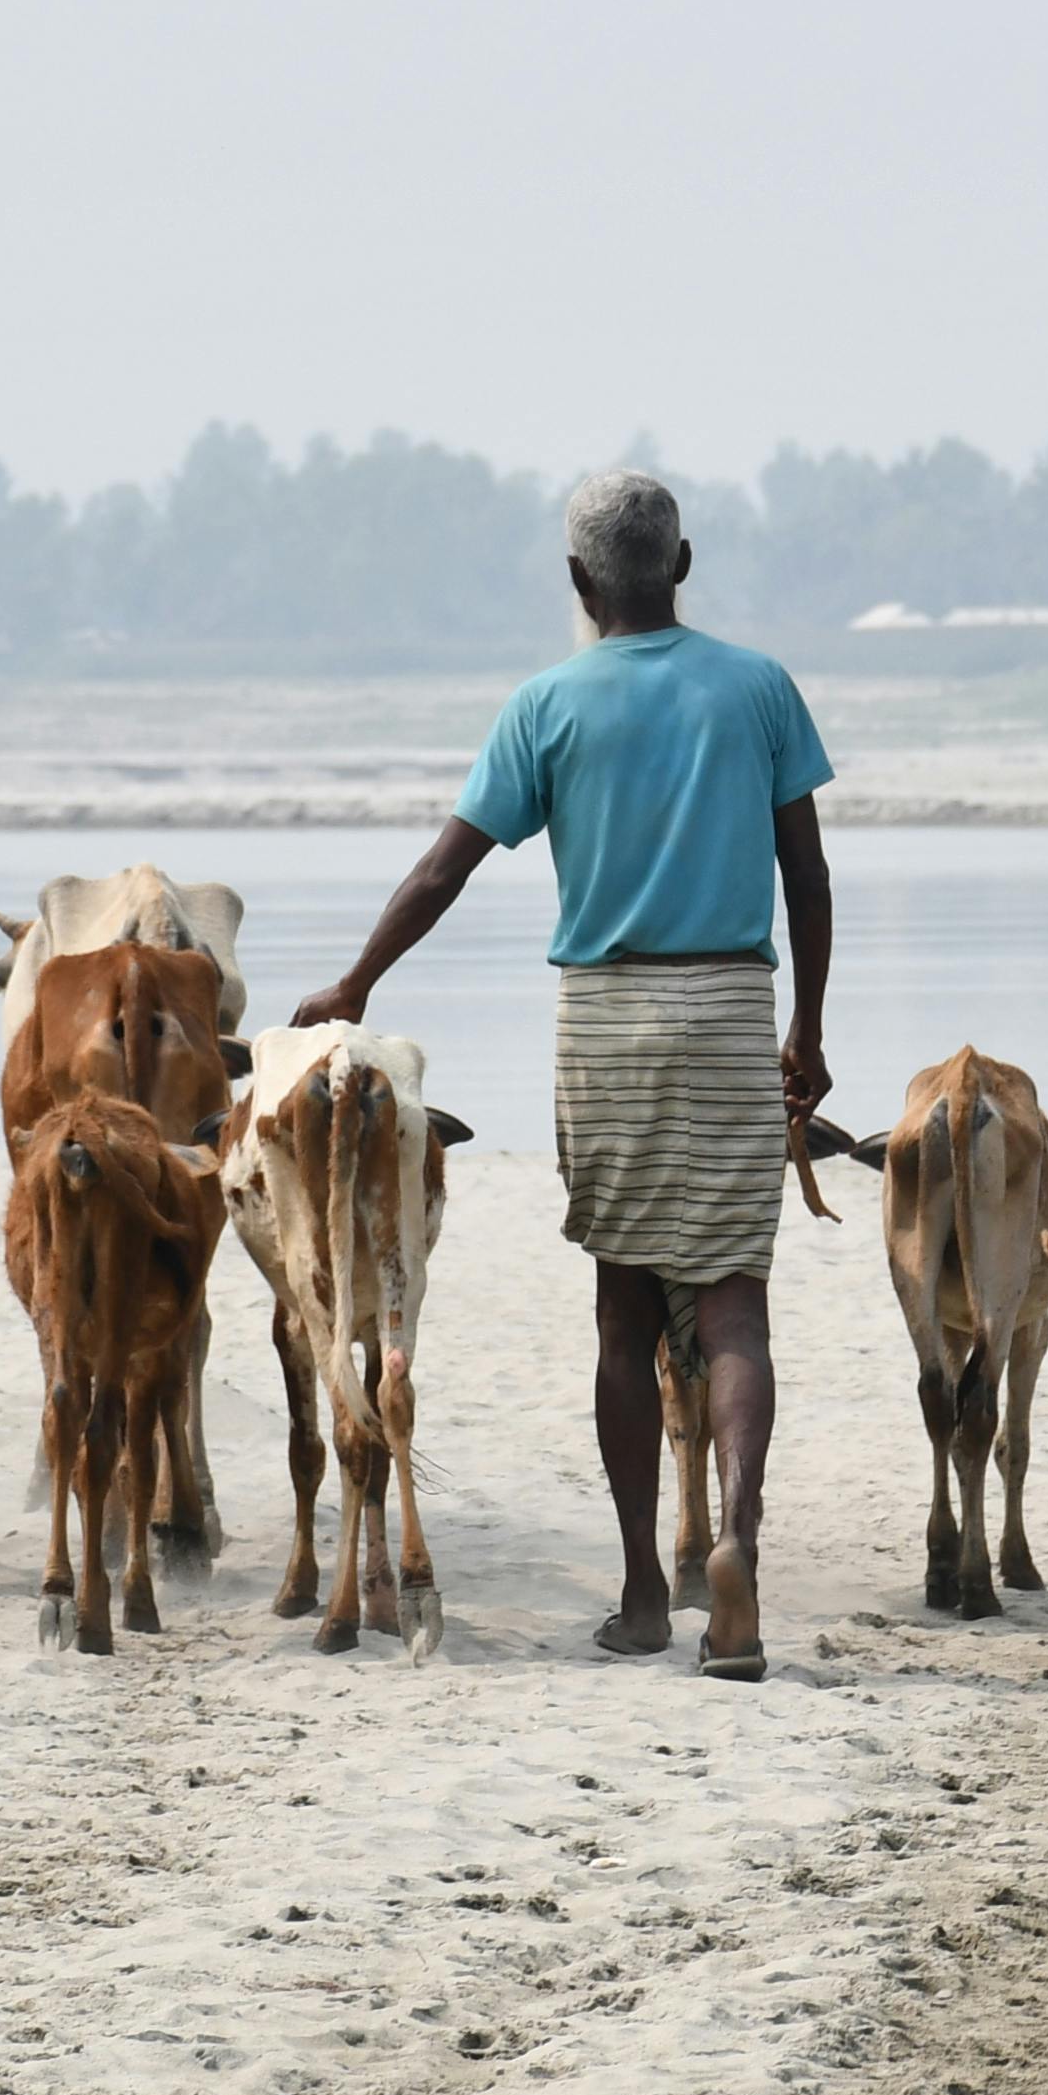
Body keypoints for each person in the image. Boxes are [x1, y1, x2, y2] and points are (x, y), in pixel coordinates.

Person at [298, 472, 832, 1677]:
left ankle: (648, 1590)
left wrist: (355, 984)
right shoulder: (759, 689)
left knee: (626, 1307)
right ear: (681, 562)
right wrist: (808, 1025)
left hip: (605, 1017)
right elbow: (808, 874)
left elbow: (445, 870)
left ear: (581, 584)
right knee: (735, 1301)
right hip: (730, 1002)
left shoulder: (544, 704)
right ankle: (735, 1544)